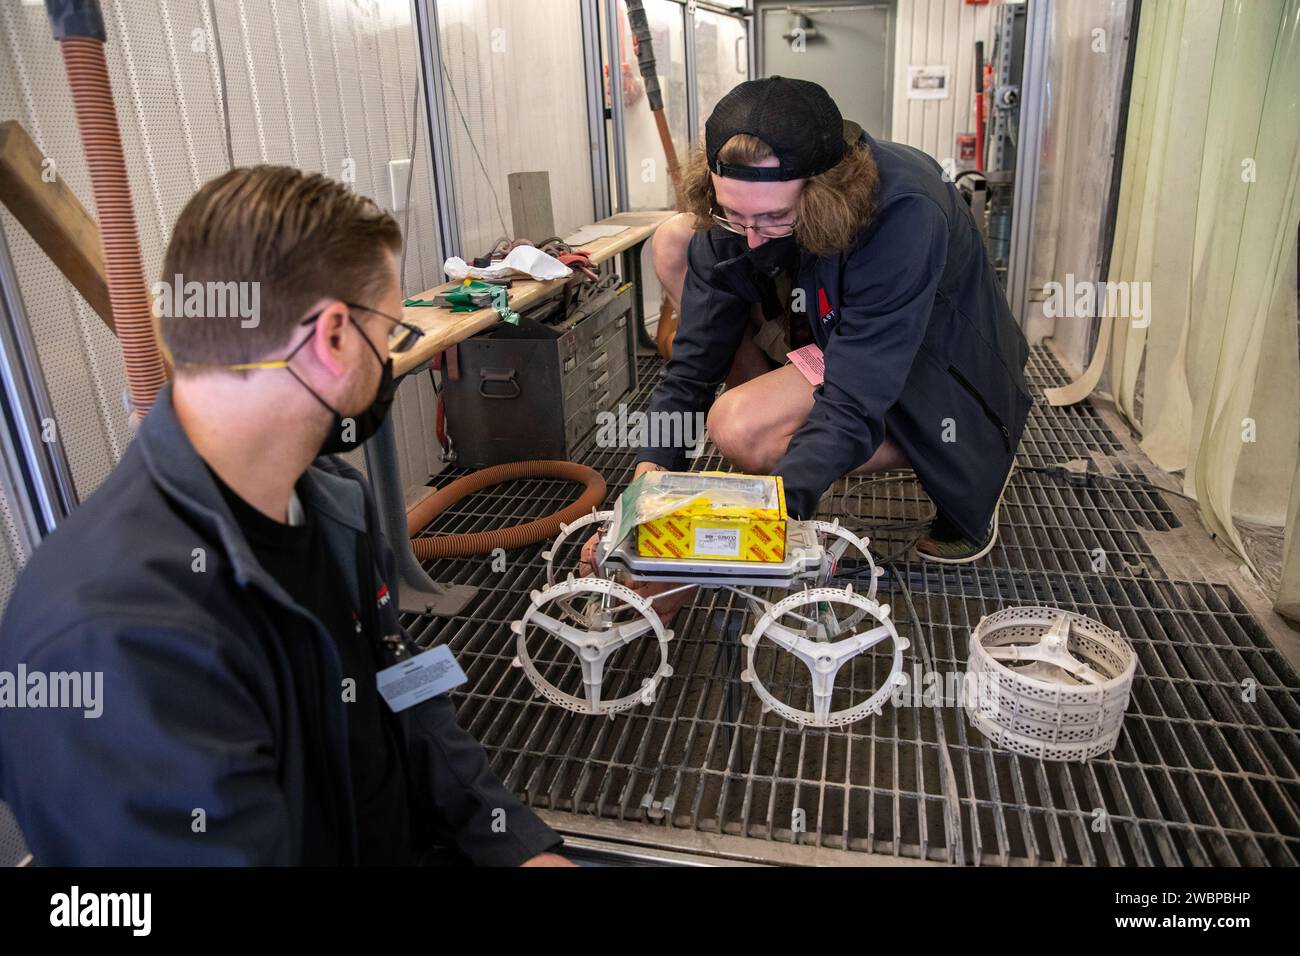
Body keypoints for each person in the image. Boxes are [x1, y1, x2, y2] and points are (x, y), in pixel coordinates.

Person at [0, 166, 571, 866]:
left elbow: (403, 683)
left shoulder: (331, 501)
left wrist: (511, 843)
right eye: (391, 335)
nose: (393, 362)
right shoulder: (111, 636)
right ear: (332, 338)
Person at [636, 77, 1032, 563]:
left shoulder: (904, 211)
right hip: (826, 318)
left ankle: (961, 450)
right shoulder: (743, 211)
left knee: (740, 427)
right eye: (736, 216)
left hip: (926, 362)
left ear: (824, 192)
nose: (752, 237)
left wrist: (771, 517)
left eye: (775, 218)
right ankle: (795, 446)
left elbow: (853, 396)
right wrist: (649, 478)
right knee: (677, 238)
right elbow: (692, 368)